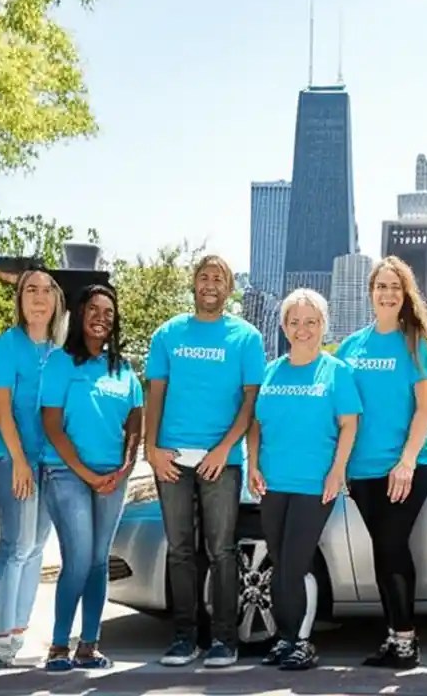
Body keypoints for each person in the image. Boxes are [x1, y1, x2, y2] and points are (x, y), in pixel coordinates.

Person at [146, 255, 266, 668]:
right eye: (203, 277)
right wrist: (151, 449)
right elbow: (155, 393)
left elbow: (251, 400)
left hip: (222, 459)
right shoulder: (168, 334)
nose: (210, 284)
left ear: (229, 288)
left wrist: (225, 448)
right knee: (180, 550)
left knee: (222, 550)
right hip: (173, 458)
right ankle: (184, 638)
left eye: (218, 278)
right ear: (193, 284)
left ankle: (224, 641)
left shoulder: (246, 337)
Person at [336, 256, 427, 669]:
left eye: (394, 287)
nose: (387, 293)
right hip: (361, 470)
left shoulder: (414, 344)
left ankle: (406, 640)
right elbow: (343, 412)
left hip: (406, 467)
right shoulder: (350, 347)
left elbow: (424, 410)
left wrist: (406, 462)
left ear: (405, 295)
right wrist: (342, 464)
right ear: (370, 293)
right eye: (380, 286)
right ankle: (393, 636)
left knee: (391, 545)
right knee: (382, 553)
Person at [247, 288, 361, 671]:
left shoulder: (336, 372)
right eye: (294, 322)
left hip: (315, 484)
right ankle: (284, 638)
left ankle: (302, 641)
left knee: (295, 563)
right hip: (273, 483)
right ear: (284, 327)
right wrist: (253, 464)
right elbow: (256, 424)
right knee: (280, 563)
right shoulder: (271, 371)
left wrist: (337, 471)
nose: (303, 329)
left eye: (311, 322)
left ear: (323, 326)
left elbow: (348, 425)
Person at [38, 284, 144, 672]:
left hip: (112, 477)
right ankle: (58, 646)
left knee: (99, 561)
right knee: (79, 559)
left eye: (109, 313)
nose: (101, 318)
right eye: (94, 310)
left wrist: (126, 466)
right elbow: (52, 425)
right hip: (67, 473)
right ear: (80, 315)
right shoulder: (60, 363)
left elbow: (136, 419)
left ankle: (89, 645)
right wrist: (87, 474)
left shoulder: (124, 367)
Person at [0, 266, 66, 665]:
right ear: (19, 300)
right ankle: (2, 637)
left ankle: (20, 632)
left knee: (36, 548)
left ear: (56, 301)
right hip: (11, 457)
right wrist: (18, 460)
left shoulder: (61, 350)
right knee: (15, 545)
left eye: (45, 290)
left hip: (50, 462)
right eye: (30, 290)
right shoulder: (7, 345)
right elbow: (1, 407)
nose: (38, 297)